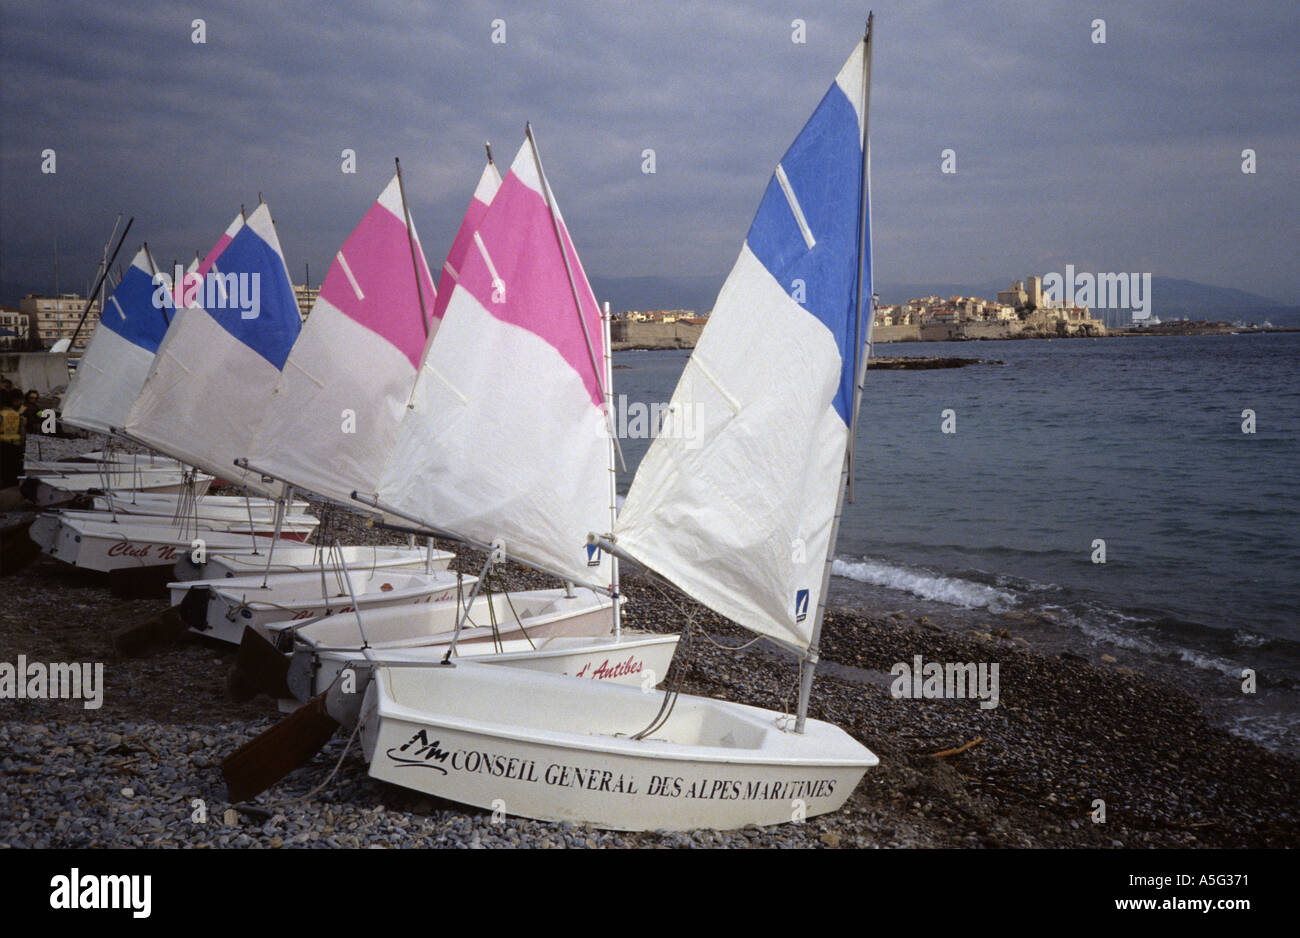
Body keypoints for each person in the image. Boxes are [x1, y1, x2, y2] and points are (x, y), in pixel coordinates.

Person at [0, 390, 23, 488]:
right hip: (9, 446)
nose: (20, 402)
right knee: (10, 470)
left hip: (8, 445)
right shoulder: (11, 413)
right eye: (19, 400)